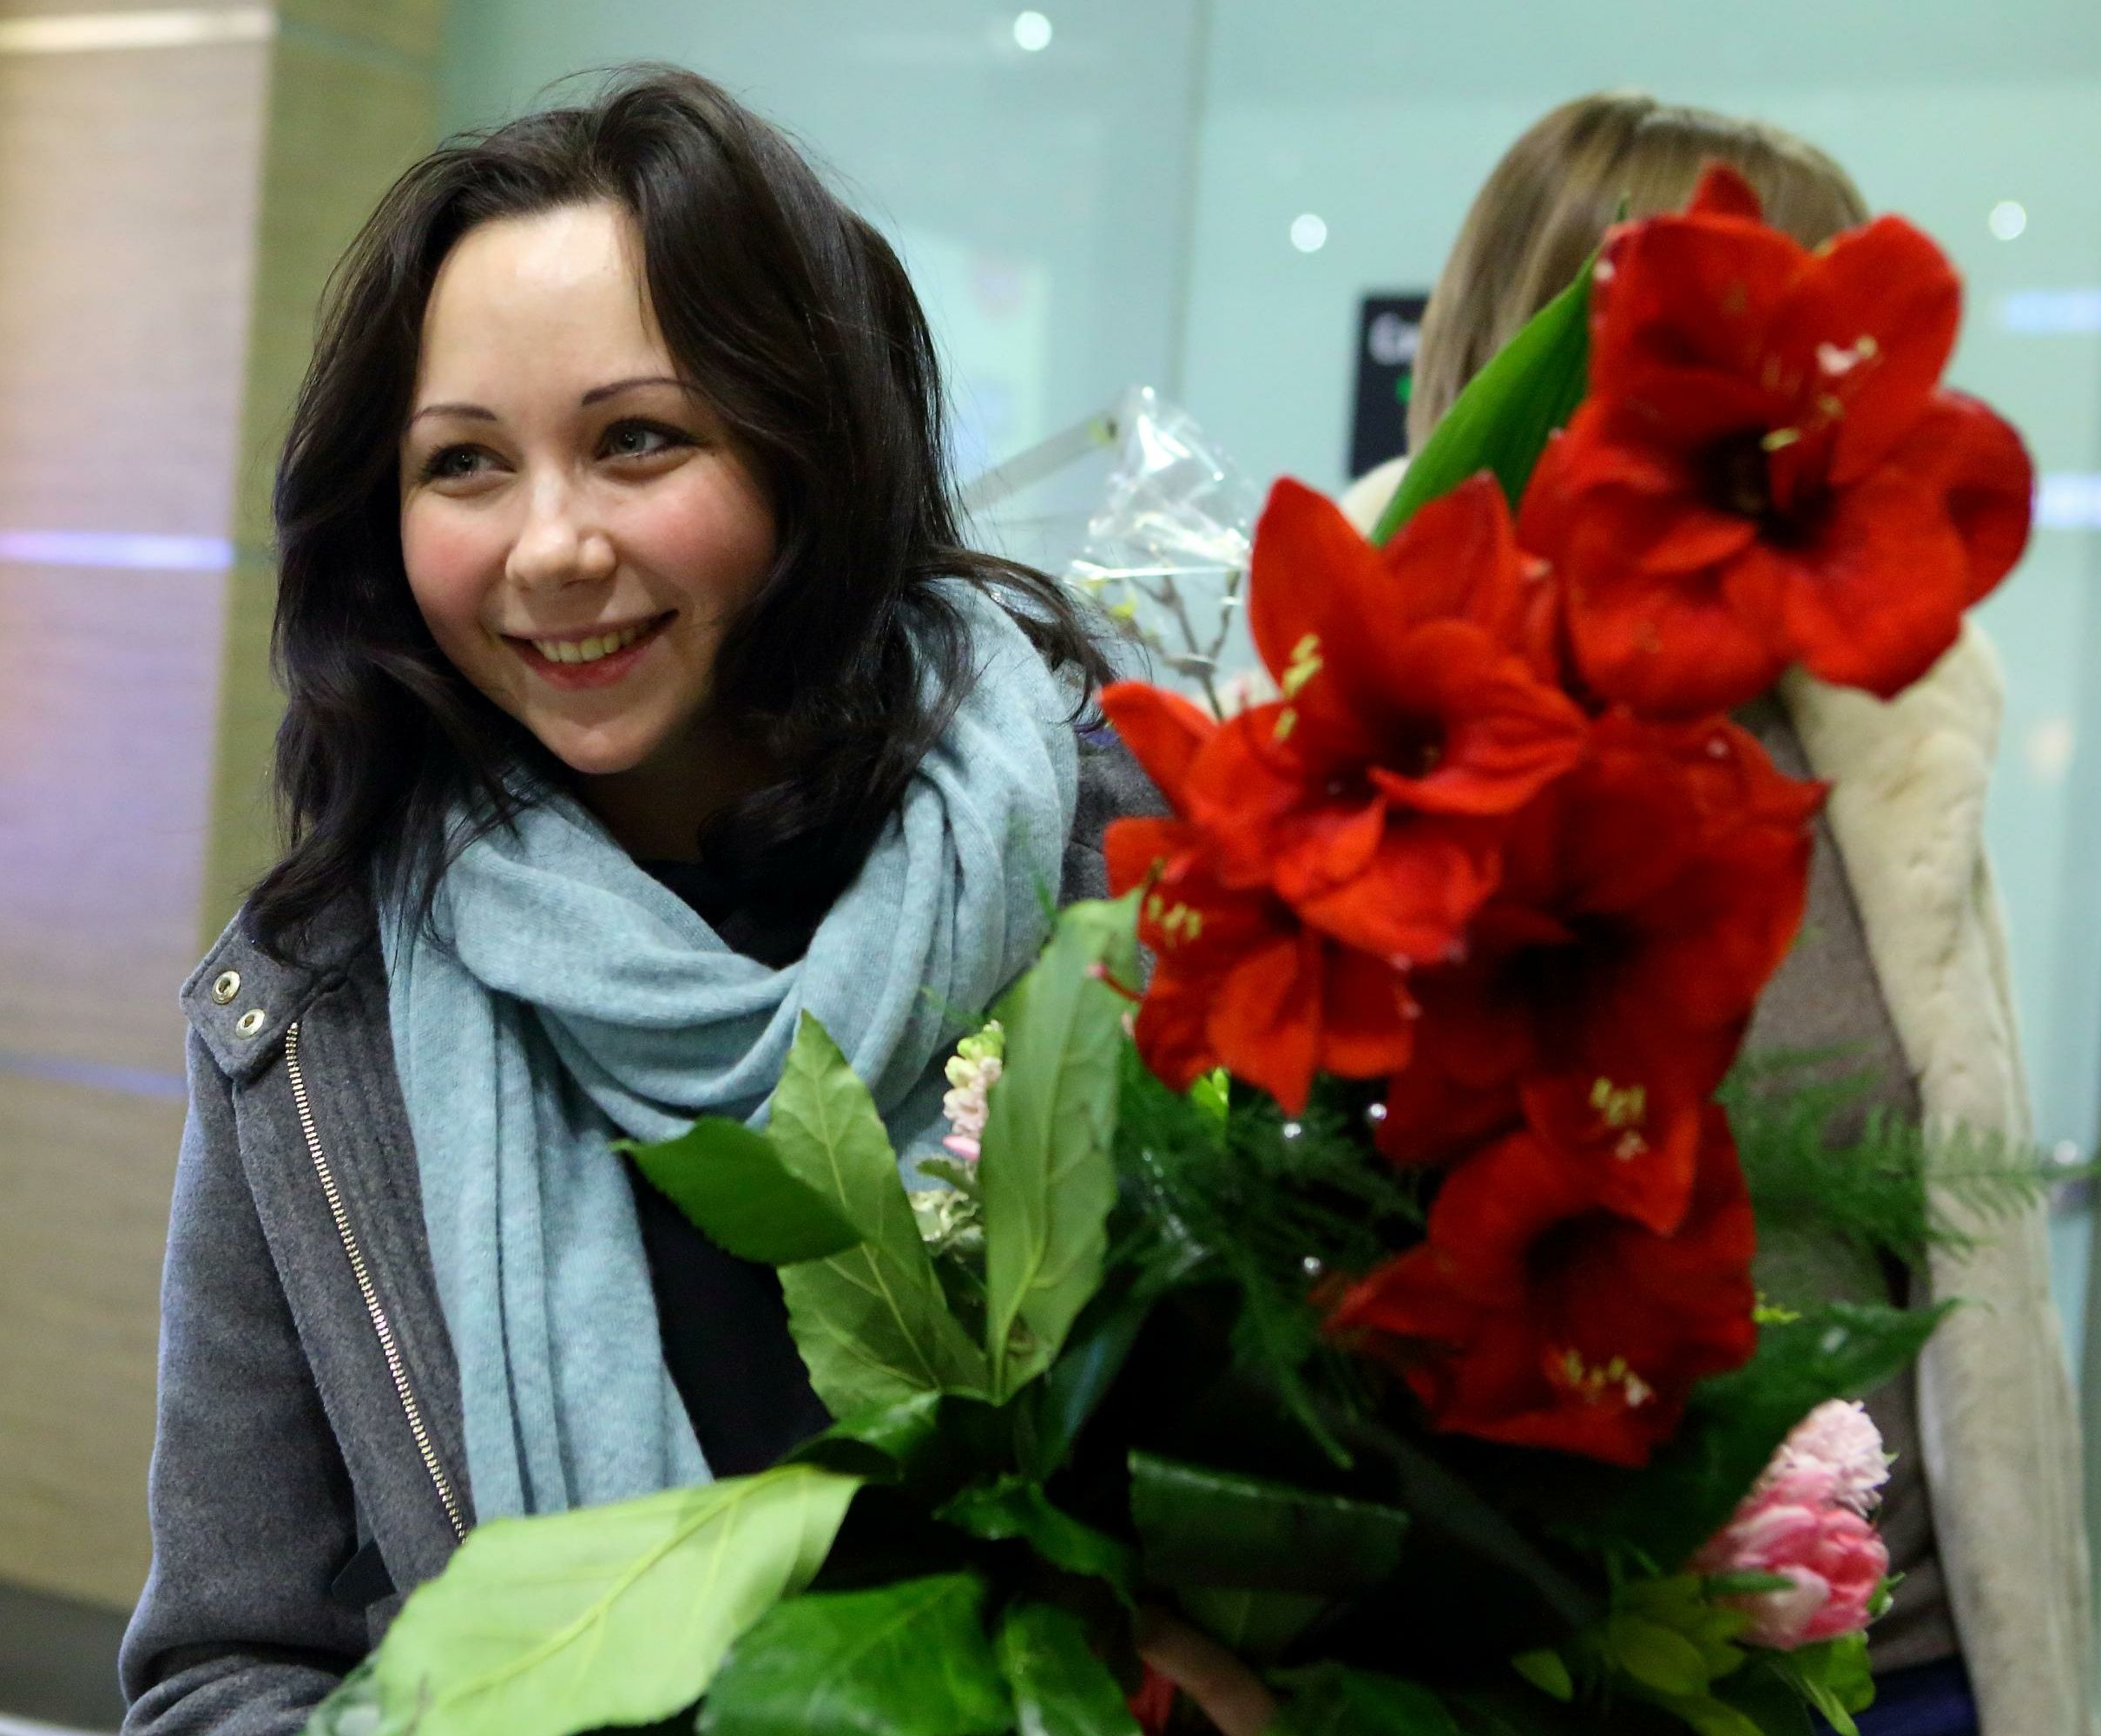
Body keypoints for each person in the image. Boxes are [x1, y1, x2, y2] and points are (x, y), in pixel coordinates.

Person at [117, 69, 1271, 1736]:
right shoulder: (319, 1014)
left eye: (637, 440)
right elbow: (222, 1667)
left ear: (812, 449)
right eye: (464, 463)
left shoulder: (1144, 882)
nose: (551, 547)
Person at [1344, 92, 2094, 1736]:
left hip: (1907, 1661)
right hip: (1517, 1662)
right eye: (1748, 350)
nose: (1813, 421)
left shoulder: (1887, 730)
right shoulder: (1366, 712)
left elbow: (1952, 1236)